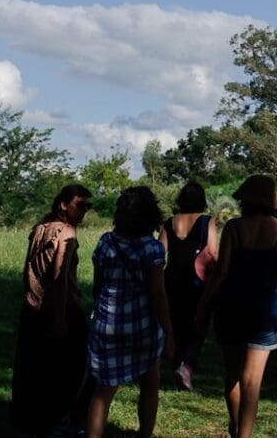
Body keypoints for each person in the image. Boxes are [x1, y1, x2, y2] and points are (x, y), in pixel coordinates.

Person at [197, 175, 277, 438]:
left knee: (232, 375)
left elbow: (221, 272)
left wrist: (204, 304)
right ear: (272, 200)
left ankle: (235, 426)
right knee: (251, 381)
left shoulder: (234, 228)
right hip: (263, 312)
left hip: (230, 307)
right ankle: (244, 435)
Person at [85, 187, 174, 438]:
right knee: (150, 384)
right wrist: (169, 332)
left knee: (103, 392)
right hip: (143, 327)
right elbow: (158, 294)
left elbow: (97, 285)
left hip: (108, 324)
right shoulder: (153, 248)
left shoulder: (105, 242)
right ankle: (144, 434)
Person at [10, 184, 94, 438]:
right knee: (72, 370)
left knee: (34, 370)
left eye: (88, 206)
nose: (84, 211)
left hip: (32, 309)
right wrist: (60, 319)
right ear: (63, 205)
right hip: (60, 309)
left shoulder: (39, 229)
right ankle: (62, 423)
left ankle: (30, 423)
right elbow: (59, 278)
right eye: (80, 205)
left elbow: (29, 269)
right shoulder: (66, 232)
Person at [162, 181, 216, 391]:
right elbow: (212, 252)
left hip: (172, 277)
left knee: (175, 322)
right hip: (196, 278)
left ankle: (176, 363)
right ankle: (186, 367)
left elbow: (160, 250)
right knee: (197, 324)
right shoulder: (206, 221)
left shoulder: (170, 222)